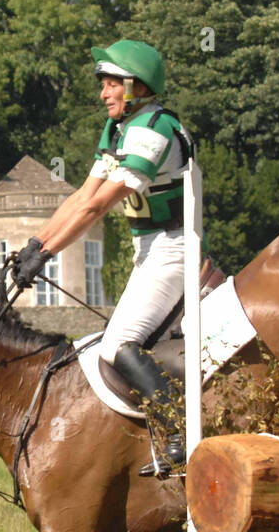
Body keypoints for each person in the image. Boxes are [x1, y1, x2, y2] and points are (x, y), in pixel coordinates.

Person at [10, 39, 196, 477]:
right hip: (150, 250)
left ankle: (180, 432)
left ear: (136, 85)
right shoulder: (118, 130)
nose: (103, 93)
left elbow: (98, 208)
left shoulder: (154, 129)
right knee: (118, 344)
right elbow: (81, 196)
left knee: (117, 344)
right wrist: (35, 245)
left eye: (111, 83)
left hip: (175, 249)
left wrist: (49, 252)